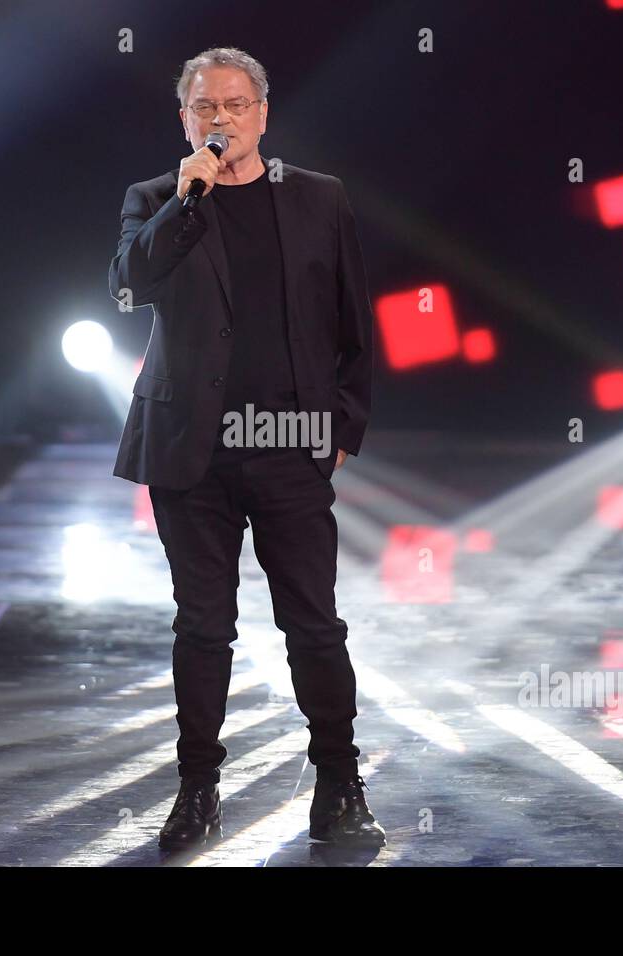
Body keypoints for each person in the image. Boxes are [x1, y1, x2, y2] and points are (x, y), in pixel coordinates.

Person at [108, 47, 384, 850]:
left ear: (263, 113)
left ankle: (339, 783)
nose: (220, 117)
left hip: (290, 447)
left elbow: (352, 326)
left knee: (314, 625)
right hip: (190, 450)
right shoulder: (159, 198)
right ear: (184, 118)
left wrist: (340, 430)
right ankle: (198, 791)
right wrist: (188, 200)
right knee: (202, 626)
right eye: (204, 106)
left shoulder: (318, 200)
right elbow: (128, 283)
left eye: (234, 104)